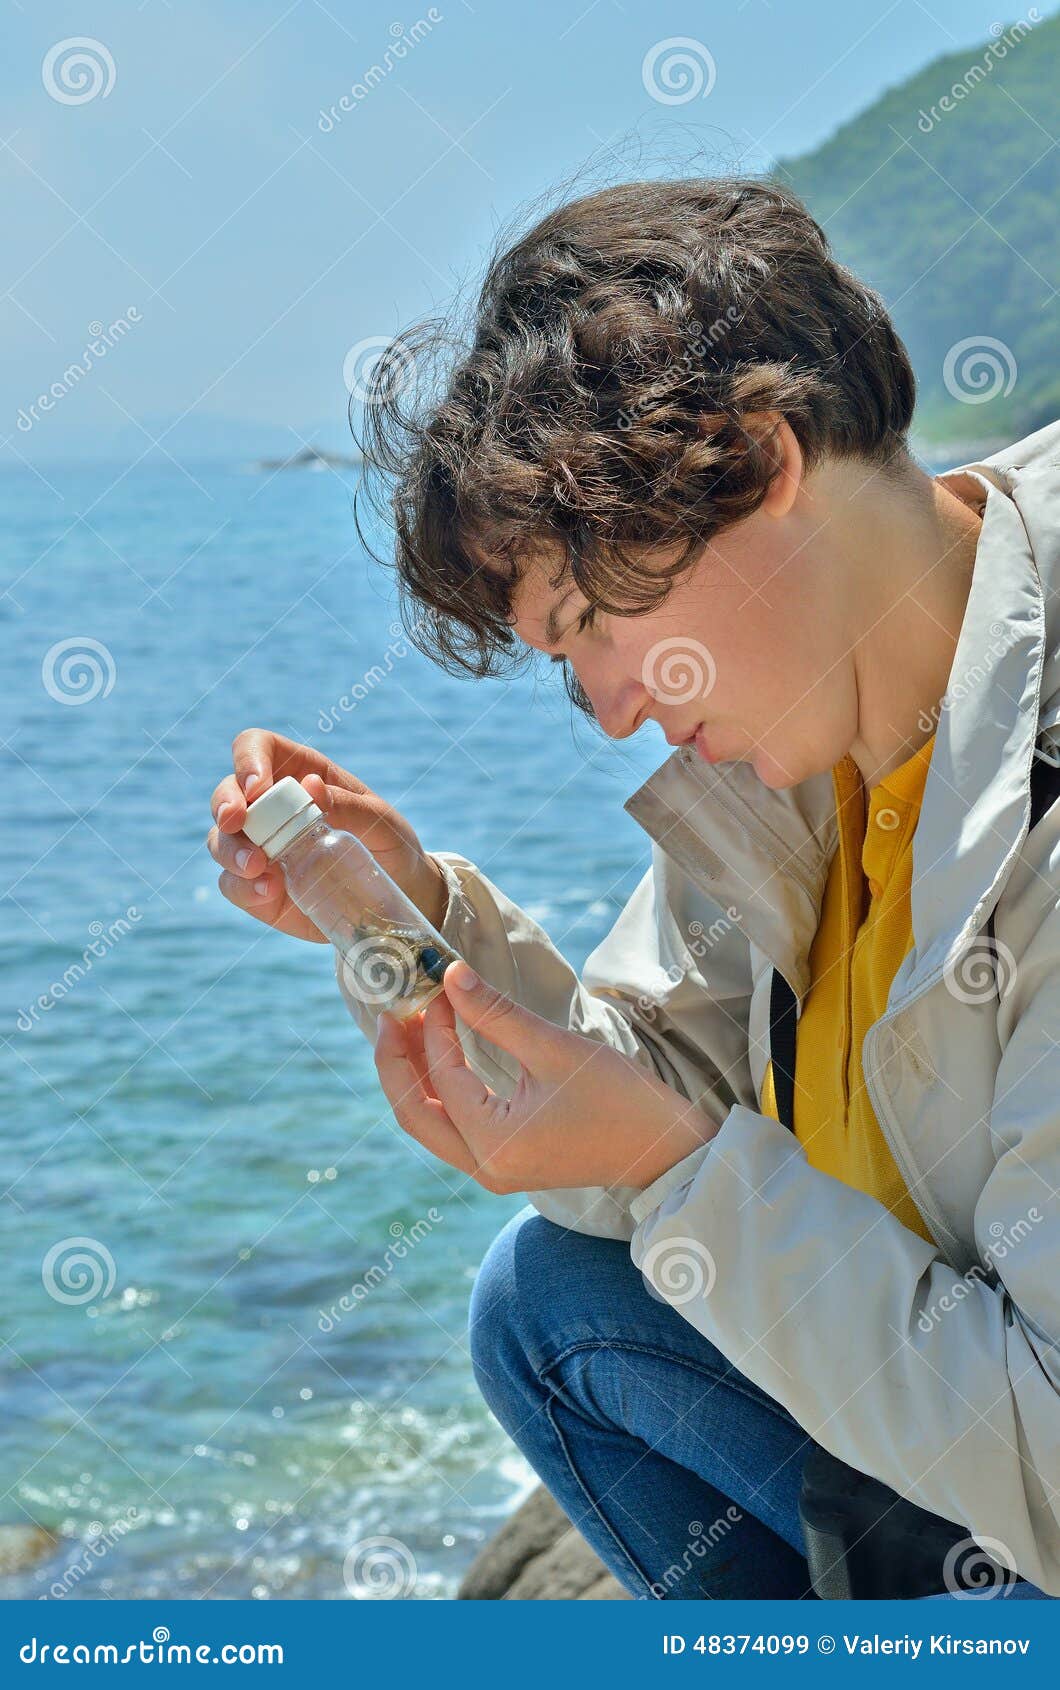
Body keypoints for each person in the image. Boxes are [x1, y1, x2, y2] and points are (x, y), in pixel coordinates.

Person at [208, 176, 1060, 1600]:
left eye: (597, 619)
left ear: (761, 457)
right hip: (940, 1440)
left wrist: (677, 1166)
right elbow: (642, 1091)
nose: (610, 709)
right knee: (545, 1304)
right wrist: (403, 917)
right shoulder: (808, 737)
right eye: (569, 657)